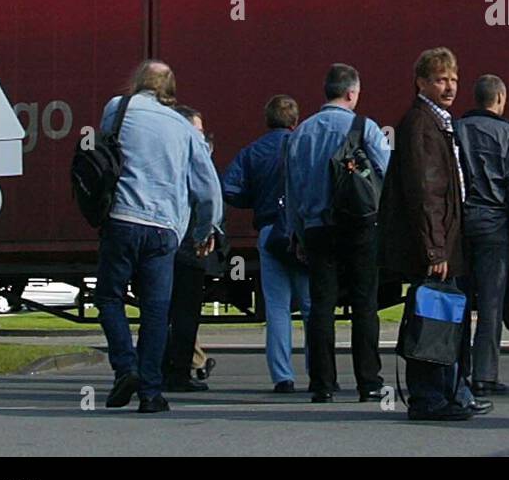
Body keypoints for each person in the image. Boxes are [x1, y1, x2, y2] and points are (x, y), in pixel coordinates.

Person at [96, 60, 222, 414]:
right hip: (166, 228)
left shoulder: (116, 109)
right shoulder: (184, 129)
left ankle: (126, 367)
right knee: (156, 309)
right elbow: (208, 186)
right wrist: (203, 231)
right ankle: (151, 392)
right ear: (171, 89)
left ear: (137, 81)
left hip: (122, 217)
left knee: (109, 296)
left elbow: (106, 154)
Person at [379, 47, 491, 422]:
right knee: (432, 321)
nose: (449, 87)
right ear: (422, 82)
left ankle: (454, 392)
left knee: (449, 320)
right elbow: (425, 193)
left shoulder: (439, 121)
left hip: (449, 240)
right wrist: (435, 249)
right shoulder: (421, 124)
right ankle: (430, 397)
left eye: (454, 79)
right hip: (438, 244)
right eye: (441, 79)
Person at [286, 64, 390, 403]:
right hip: (360, 226)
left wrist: (298, 234)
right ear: (351, 92)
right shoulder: (366, 127)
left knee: (320, 307)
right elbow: (386, 177)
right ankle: (369, 381)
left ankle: (322, 383)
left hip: (317, 228)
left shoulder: (302, 132)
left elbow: (293, 189)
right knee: (364, 304)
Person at [221, 95, 310, 393]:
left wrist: (254, 200)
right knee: (311, 305)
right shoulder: (304, 145)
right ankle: (320, 372)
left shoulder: (253, 151)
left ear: (267, 119)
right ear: (295, 120)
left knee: (277, 307)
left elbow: (229, 188)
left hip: (269, 230)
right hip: (302, 230)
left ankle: (282, 376)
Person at [454, 74, 509, 396]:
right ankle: (485, 375)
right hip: (493, 223)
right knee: (491, 303)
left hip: (458, 225)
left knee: (456, 301)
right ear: (499, 98)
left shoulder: (455, 130)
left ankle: (455, 370)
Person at [163, 105, 227, 392]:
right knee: (185, 314)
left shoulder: (162, 160)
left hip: (165, 245)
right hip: (188, 246)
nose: (202, 138)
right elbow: (209, 197)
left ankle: (155, 369)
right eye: (197, 132)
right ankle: (178, 372)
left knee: (161, 310)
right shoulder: (193, 161)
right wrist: (205, 234)